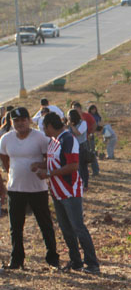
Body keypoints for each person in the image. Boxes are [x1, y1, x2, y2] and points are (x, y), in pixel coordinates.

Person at [32, 112, 99, 274]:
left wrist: (47, 174)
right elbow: (55, 162)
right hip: (57, 191)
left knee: (78, 227)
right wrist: (40, 165)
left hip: (70, 190)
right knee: (65, 228)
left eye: (44, 128)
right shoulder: (54, 141)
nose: (43, 131)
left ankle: (92, 263)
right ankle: (76, 261)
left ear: (49, 126)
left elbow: (73, 166)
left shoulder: (68, 140)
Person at [0, 107, 59, 269]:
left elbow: (50, 159)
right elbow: (4, 160)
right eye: (16, 121)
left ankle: (52, 258)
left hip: (37, 189)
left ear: (29, 120)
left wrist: (40, 168)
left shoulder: (40, 138)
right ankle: (17, 259)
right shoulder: (6, 139)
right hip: (15, 189)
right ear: (11, 122)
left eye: (23, 120)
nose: (20, 124)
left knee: (45, 224)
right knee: (16, 227)